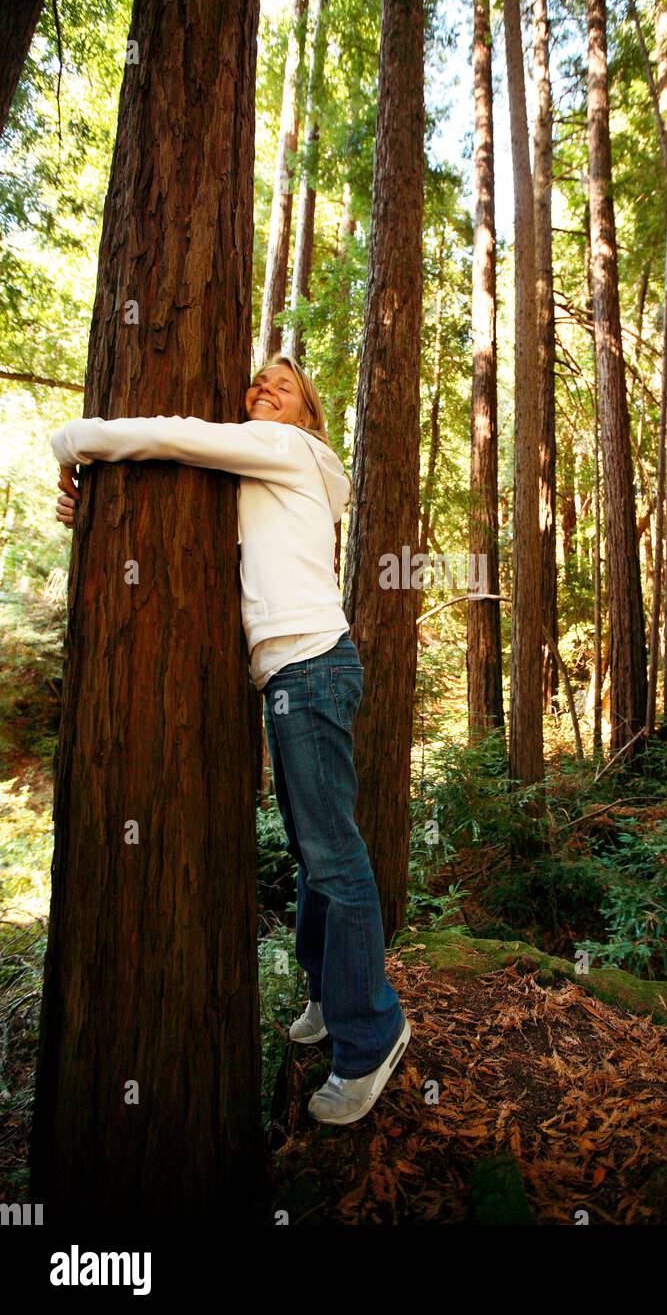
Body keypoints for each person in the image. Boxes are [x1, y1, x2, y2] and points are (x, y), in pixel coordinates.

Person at [51, 353, 410, 1126]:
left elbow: (181, 437)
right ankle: (325, 991)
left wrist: (75, 439)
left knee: (334, 856)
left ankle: (371, 1034)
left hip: (308, 664)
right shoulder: (268, 478)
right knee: (317, 852)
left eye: (281, 389)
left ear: (306, 415)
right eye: (256, 385)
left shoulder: (285, 450)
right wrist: (100, 501)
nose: (261, 393)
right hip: (296, 670)